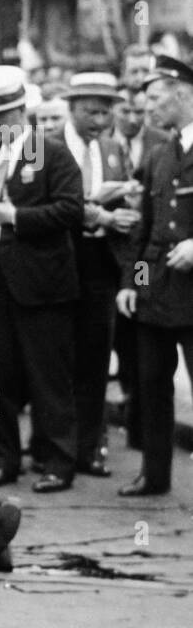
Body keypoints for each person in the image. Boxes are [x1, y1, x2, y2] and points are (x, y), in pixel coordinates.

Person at [0, 65, 83, 492]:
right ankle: (3, 458)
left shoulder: (51, 152)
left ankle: (58, 460)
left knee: (48, 377)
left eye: (0, 118)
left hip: (42, 283)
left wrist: (18, 218)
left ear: (20, 113)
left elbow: (72, 210)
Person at [117, 54, 193, 496]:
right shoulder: (160, 155)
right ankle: (154, 474)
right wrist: (132, 282)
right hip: (157, 292)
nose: (148, 109)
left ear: (182, 93)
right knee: (151, 386)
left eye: (156, 99)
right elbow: (145, 229)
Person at [59, 72, 138, 478]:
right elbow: (45, 201)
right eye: (91, 111)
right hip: (58, 262)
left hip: (100, 263)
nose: (100, 119)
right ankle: (54, 445)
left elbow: (126, 197)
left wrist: (122, 213)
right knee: (57, 360)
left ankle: (90, 447)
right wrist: (96, 209)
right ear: (71, 108)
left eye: (106, 111)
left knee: (94, 359)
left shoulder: (112, 149)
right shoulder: (49, 146)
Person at [111, 84, 171, 449]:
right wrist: (132, 282)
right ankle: (145, 450)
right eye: (129, 110)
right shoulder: (107, 145)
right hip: (129, 268)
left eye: (143, 109)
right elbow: (144, 232)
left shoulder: (163, 143)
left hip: (168, 275)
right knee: (138, 363)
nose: (137, 116)